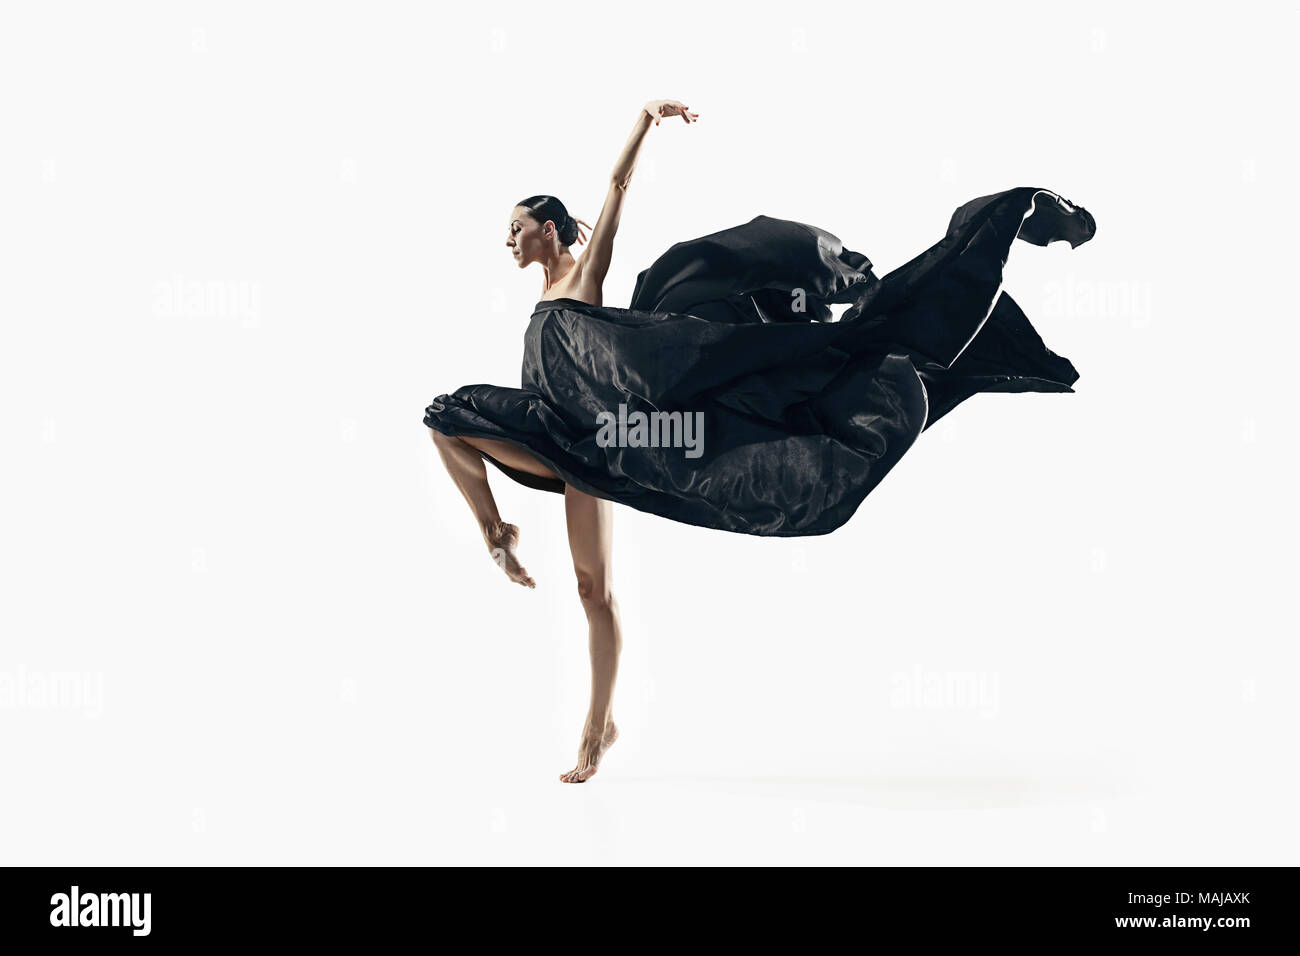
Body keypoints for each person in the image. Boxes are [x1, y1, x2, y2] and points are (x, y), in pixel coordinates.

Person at [425, 98, 1096, 784]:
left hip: (607, 440)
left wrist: (642, 120)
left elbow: (617, 191)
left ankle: (599, 724)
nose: (507, 240)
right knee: (448, 422)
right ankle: (496, 532)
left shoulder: (582, 276)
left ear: (549, 230)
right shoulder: (535, 302)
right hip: (567, 436)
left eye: (516, 229)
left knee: (592, 586)